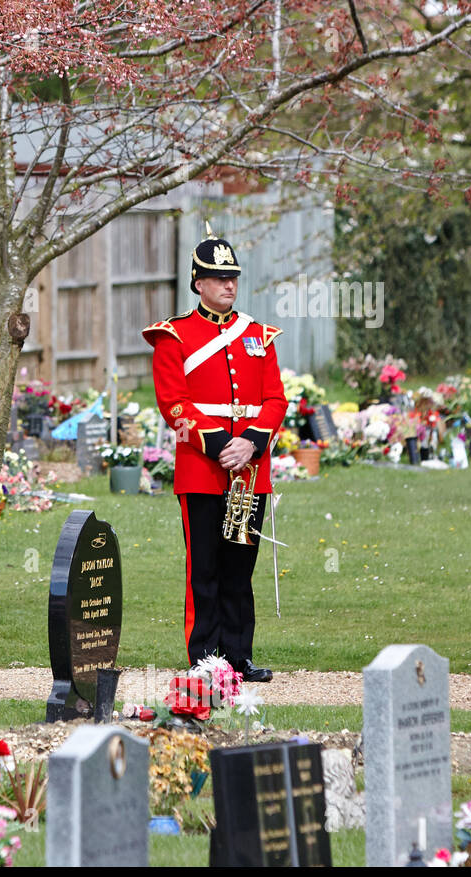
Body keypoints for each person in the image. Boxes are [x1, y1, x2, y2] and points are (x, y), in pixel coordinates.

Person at [141, 229, 286, 682]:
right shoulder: (174, 335)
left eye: (233, 277)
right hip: (203, 470)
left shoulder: (258, 335)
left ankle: (238, 656)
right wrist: (224, 445)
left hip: (248, 472)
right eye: (219, 277)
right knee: (203, 569)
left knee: (240, 567)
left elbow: (276, 399)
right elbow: (174, 405)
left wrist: (252, 443)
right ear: (198, 282)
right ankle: (206, 658)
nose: (229, 285)